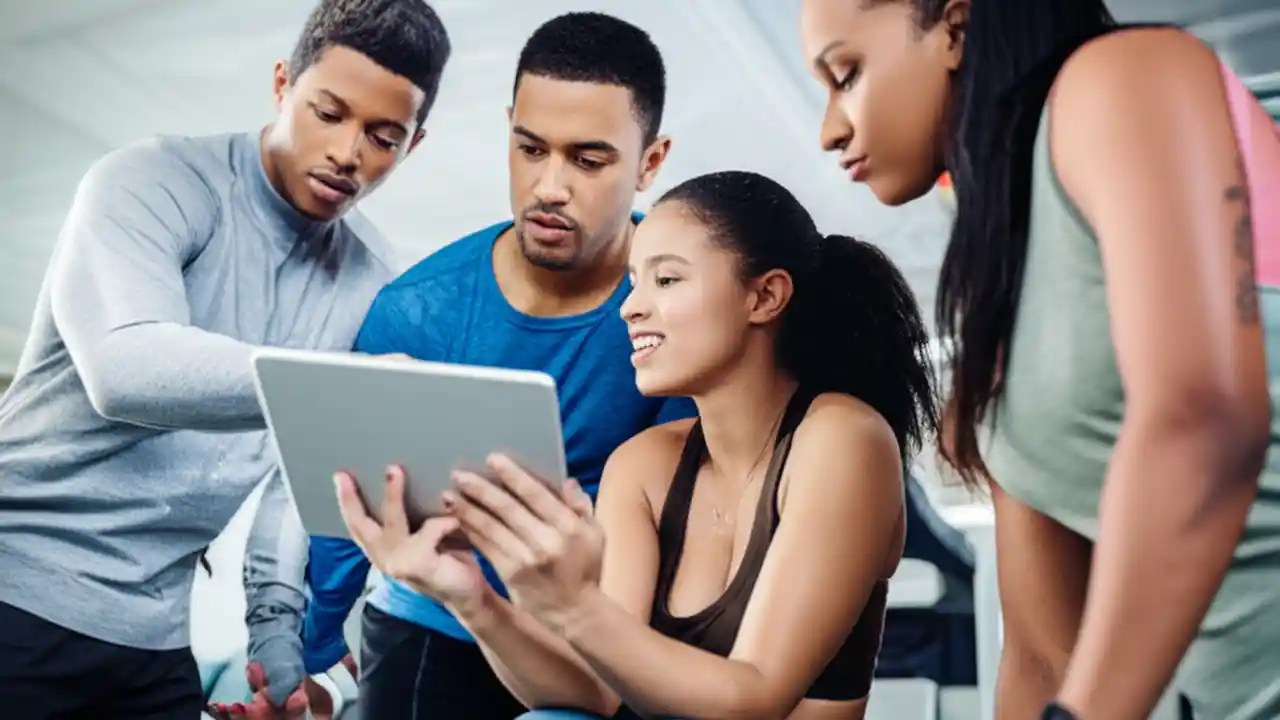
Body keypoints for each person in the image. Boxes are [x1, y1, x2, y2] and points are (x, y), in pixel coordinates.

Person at [797, 0, 1280, 718]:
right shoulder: (995, 274)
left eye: (847, 74)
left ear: (955, 27)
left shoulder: (1125, 77)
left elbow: (1204, 420)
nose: (831, 130)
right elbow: (1041, 650)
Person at [335, 169, 940, 719]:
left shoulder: (843, 437)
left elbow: (754, 698)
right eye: (632, 283)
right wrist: (470, 596)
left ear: (764, 297)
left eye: (667, 279)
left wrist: (570, 603)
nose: (631, 308)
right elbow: (596, 692)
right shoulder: (645, 464)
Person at [0, 0, 451, 717]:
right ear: (283, 83)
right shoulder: (152, 181)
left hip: (155, 637)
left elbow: (294, 474)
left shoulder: (373, 280)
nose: (348, 153)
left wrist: (277, 641)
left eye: (383, 136)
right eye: (327, 113)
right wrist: (340, 385)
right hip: (16, 598)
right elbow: (125, 370)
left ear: (413, 145)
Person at [289, 12, 694, 720]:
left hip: (602, 635)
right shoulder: (416, 312)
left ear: (650, 163)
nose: (549, 186)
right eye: (530, 148)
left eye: (588, 160)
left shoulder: (681, 313)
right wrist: (314, 659)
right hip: (430, 629)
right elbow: (348, 508)